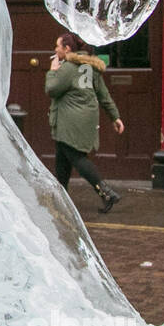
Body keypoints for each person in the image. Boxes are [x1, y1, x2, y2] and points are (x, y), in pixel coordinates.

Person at [45, 32, 124, 213]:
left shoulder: (68, 68)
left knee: (76, 157)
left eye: (58, 46)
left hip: (70, 120)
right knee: (62, 157)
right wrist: (115, 116)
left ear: (67, 49)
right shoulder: (89, 67)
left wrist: (52, 71)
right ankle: (61, 198)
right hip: (84, 118)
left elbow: (51, 89)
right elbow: (103, 94)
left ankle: (106, 192)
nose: (55, 49)